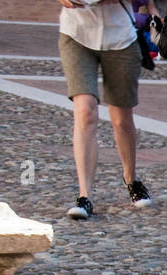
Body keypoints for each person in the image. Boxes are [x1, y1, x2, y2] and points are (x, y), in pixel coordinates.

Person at [56, 0, 153, 219]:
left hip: (120, 37)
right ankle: (84, 196)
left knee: (121, 119)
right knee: (85, 112)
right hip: (76, 34)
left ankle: (131, 178)